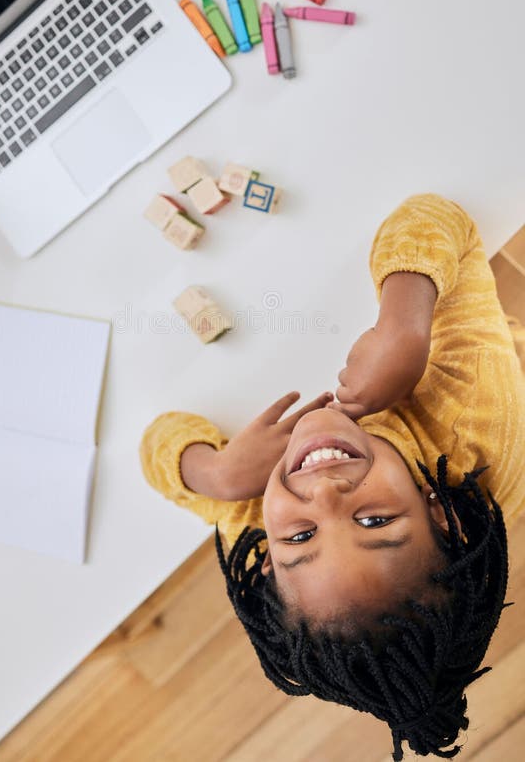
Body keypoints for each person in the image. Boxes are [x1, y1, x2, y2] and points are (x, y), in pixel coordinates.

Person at [139, 193, 525, 760]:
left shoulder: (259, 520)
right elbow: (438, 218)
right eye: (373, 520)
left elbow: (155, 443)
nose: (322, 494)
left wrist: (215, 473)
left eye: (300, 537)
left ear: (267, 565)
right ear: (440, 514)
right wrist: (405, 327)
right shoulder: (474, 423)